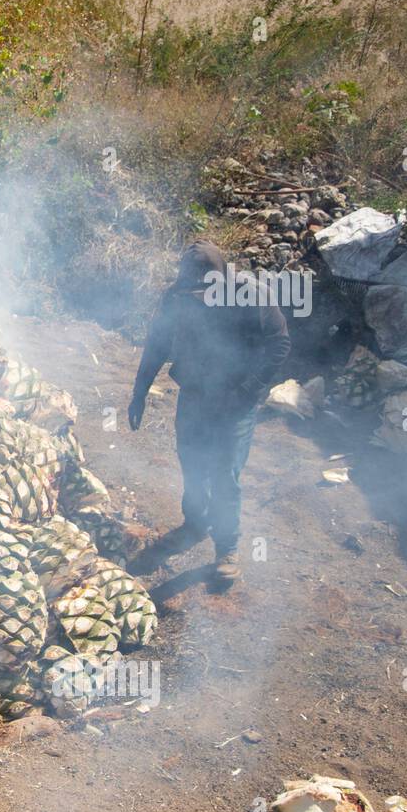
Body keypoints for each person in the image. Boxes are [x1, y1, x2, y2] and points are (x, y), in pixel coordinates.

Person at [127, 240, 290, 586]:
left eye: (206, 290)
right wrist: (139, 392)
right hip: (196, 393)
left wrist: (247, 391)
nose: (198, 297)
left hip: (236, 402)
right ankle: (195, 523)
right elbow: (157, 343)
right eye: (193, 291)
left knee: (223, 474)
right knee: (192, 462)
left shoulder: (252, 295)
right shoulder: (177, 295)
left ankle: (227, 548)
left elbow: (279, 344)